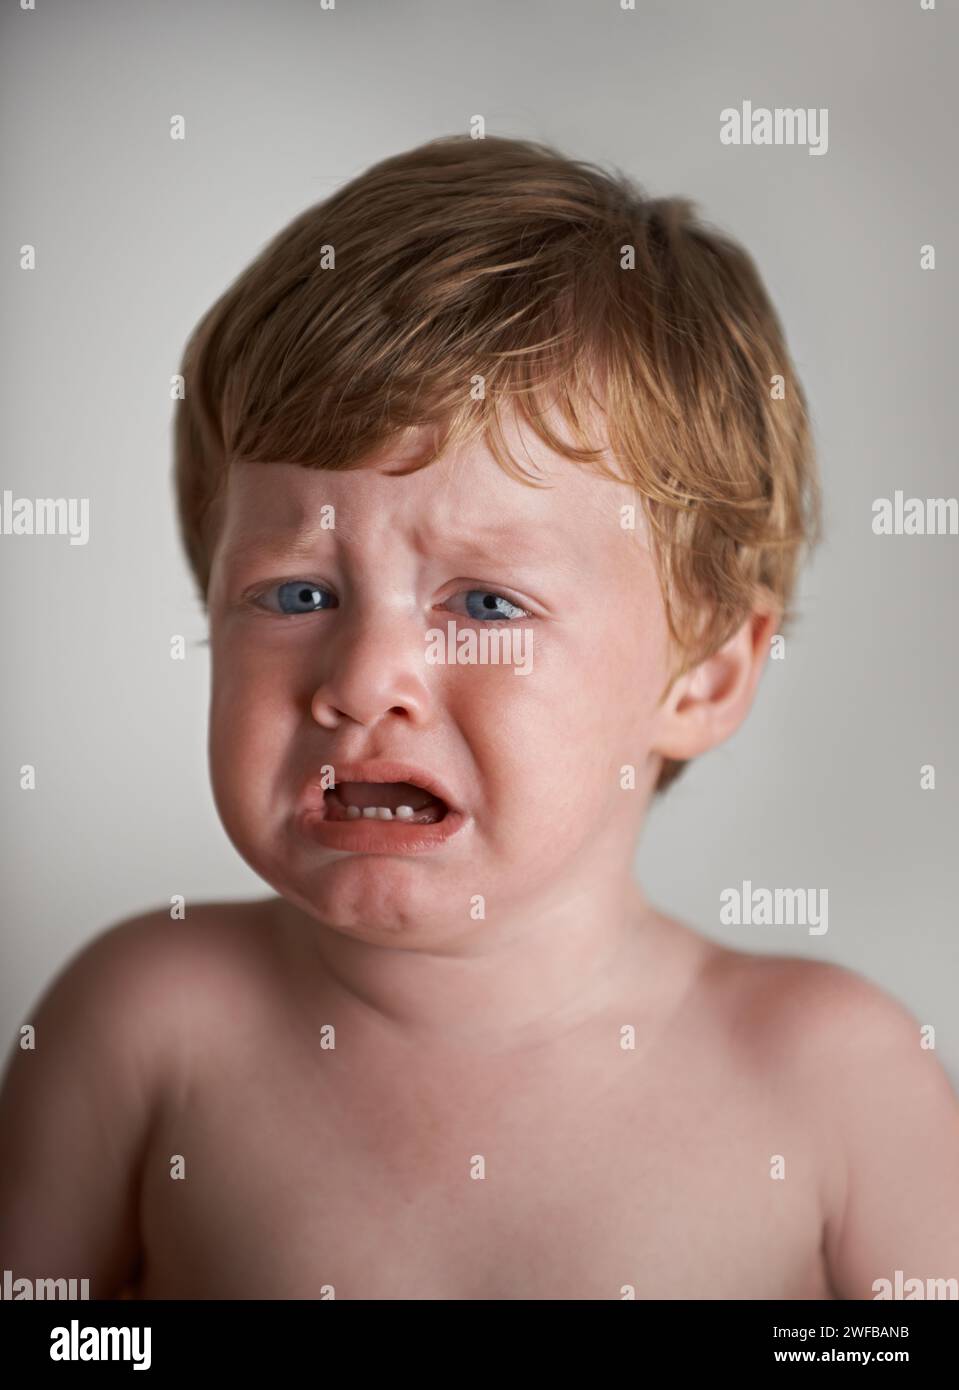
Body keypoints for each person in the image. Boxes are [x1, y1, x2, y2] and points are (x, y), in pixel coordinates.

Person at [2, 134, 956, 1300]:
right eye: (299, 593)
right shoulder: (146, 1026)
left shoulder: (832, 1084)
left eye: (485, 601)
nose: (364, 678)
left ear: (698, 678)